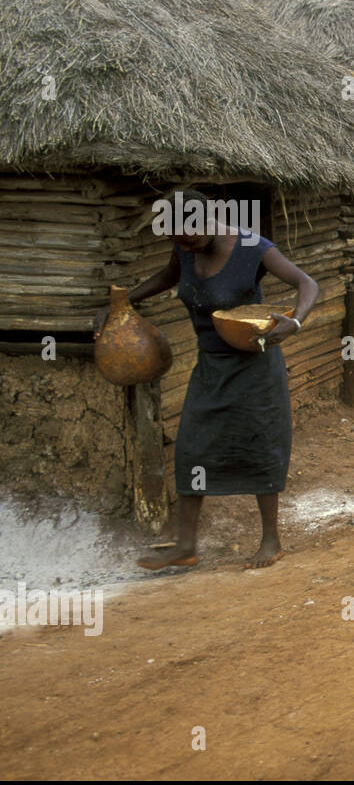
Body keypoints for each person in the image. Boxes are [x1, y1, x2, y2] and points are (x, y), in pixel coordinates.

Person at [94, 190, 319, 571]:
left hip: (255, 368)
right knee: (193, 449)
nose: (185, 244)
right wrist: (123, 302)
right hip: (210, 366)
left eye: (190, 236)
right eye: (176, 239)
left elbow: (308, 283)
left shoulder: (252, 247)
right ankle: (185, 544)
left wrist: (294, 320)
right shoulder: (184, 248)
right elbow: (170, 275)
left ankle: (270, 539)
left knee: (261, 443)